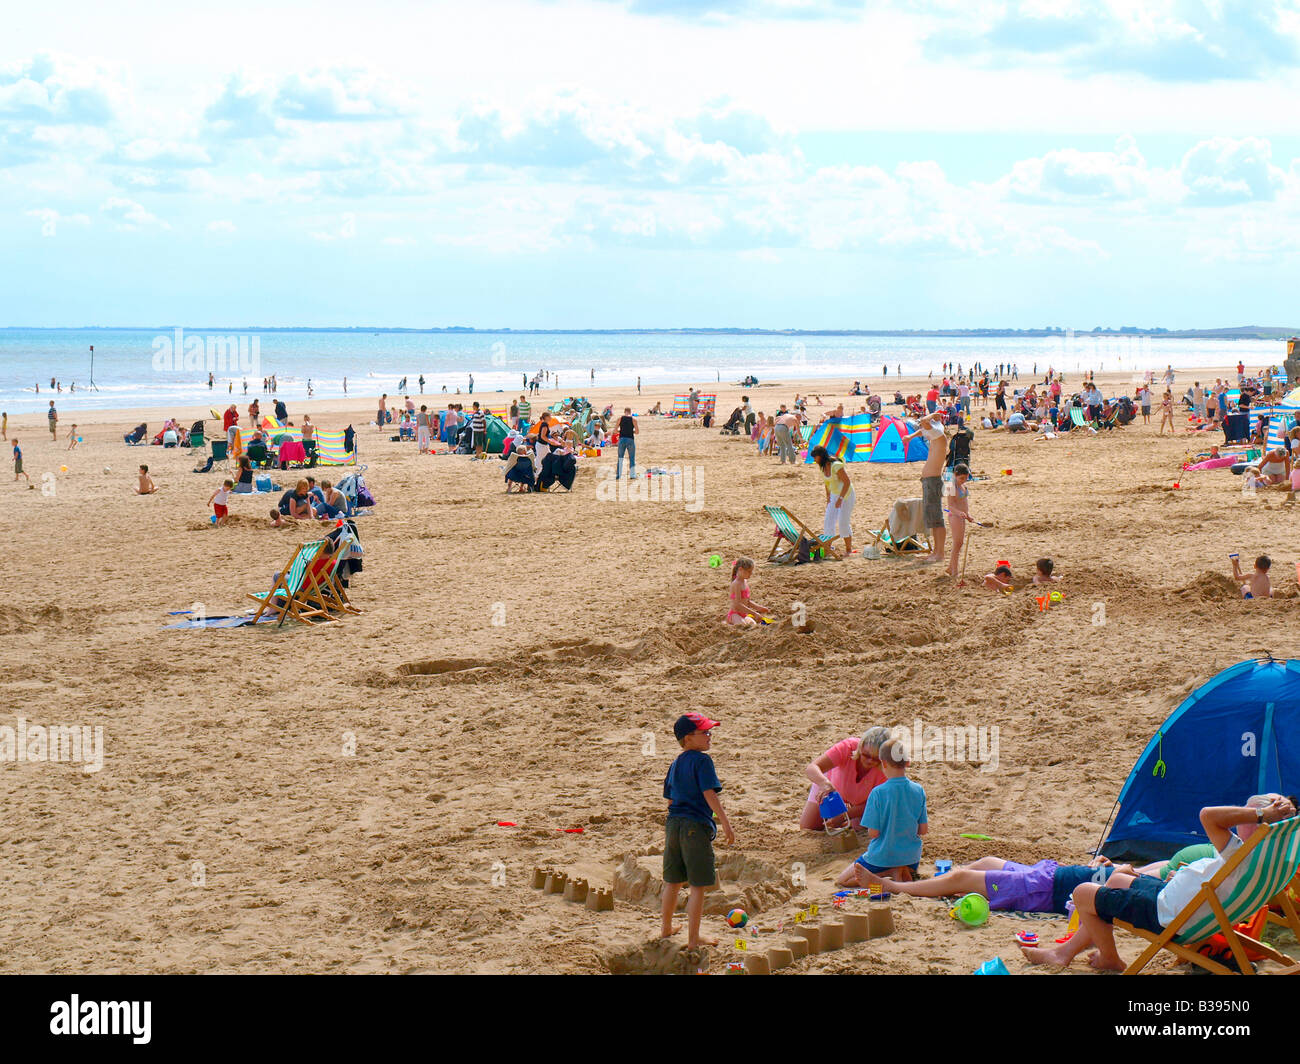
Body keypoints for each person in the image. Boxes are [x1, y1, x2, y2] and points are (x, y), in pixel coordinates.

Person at [1021, 794, 1296, 971]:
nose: (1239, 815)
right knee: (1118, 878)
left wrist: (1260, 815)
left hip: (1169, 916)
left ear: (1256, 824)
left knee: (1082, 892)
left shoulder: (1241, 853)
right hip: (1187, 905)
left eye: (1245, 812)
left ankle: (1108, 958)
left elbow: (1208, 815)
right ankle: (1066, 952)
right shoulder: (1280, 859)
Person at [660, 713, 734, 950]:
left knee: (672, 881)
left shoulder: (675, 763)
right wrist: (725, 822)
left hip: (673, 825)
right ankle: (693, 939)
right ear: (688, 738)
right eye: (705, 733)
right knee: (697, 886)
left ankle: (666, 928)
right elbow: (709, 794)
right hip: (694, 827)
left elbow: (670, 801)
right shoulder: (703, 761)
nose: (710, 736)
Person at [836, 736, 927, 885]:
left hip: (882, 858)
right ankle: (899, 870)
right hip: (911, 859)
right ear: (908, 762)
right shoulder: (919, 790)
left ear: (883, 764)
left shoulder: (878, 793)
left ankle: (888, 873)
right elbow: (923, 830)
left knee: (844, 880)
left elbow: (873, 833)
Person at [799, 726, 890, 831]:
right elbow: (811, 768)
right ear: (860, 748)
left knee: (864, 826)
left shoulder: (886, 767)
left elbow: (877, 802)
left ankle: (851, 821)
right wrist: (824, 784)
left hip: (862, 800)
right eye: (866, 755)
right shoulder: (848, 747)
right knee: (808, 827)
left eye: (875, 758)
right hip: (830, 789)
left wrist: (845, 816)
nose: (869, 761)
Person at [903, 413, 948, 564]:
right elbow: (922, 429)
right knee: (932, 519)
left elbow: (924, 422)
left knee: (937, 518)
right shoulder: (935, 434)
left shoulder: (939, 436)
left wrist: (933, 414)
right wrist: (910, 437)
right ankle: (936, 552)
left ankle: (940, 553)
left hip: (933, 481)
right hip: (930, 481)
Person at [811, 444, 855, 555]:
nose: (814, 460)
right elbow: (827, 483)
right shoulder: (822, 467)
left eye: (815, 457)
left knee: (842, 522)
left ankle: (848, 549)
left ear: (821, 456)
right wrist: (828, 498)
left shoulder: (835, 465)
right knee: (828, 521)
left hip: (846, 494)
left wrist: (840, 498)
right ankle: (828, 548)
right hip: (834, 495)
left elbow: (847, 482)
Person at [725, 557, 770, 626]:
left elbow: (748, 602)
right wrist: (754, 613)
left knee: (753, 624)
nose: (751, 573)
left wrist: (759, 608)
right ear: (740, 569)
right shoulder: (736, 584)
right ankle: (728, 624)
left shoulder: (745, 582)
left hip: (744, 614)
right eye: (749, 571)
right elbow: (738, 604)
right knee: (742, 625)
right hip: (735, 614)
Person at [945, 463, 971, 577]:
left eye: (966, 478)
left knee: (959, 543)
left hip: (962, 516)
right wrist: (959, 513)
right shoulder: (950, 486)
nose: (964, 480)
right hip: (955, 516)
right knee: (957, 543)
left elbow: (964, 503)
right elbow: (950, 506)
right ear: (955, 475)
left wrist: (968, 515)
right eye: (961, 478)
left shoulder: (963, 486)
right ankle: (955, 571)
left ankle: (951, 568)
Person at [616, 407, 637, 480]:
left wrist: (620, 431)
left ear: (624, 411)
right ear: (630, 412)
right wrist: (632, 431)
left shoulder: (620, 419)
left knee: (620, 458)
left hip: (622, 439)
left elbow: (615, 430)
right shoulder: (634, 420)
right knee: (631, 458)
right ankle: (632, 475)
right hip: (630, 439)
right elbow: (637, 432)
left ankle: (618, 475)